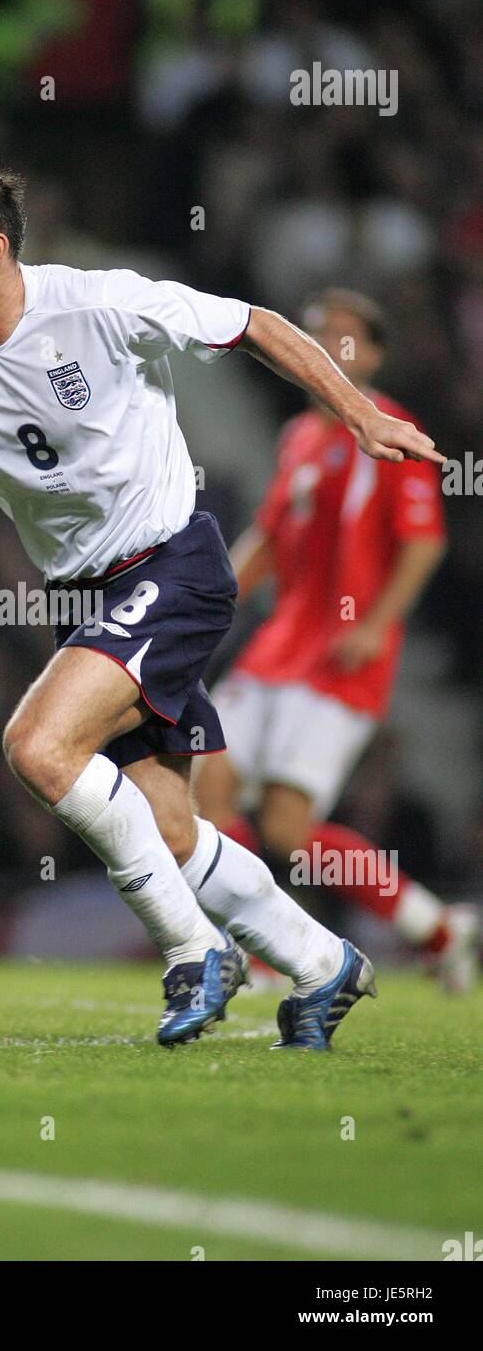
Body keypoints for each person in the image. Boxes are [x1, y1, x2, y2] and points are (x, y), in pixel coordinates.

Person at [0, 162, 444, 1049]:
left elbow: (254, 325)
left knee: (39, 748)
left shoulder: (101, 304)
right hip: (80, 594)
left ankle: (191, 954)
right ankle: (322, 964)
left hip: (173, 564)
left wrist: (354, 412)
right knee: (168, 828)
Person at [197, 289, 477, 993]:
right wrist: (214, 596)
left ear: (376, 354)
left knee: (290, 830)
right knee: (209, 790)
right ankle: (259, 956)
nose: (334, 349)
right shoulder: (298, 436)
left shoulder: (390, 428)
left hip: (341, 659)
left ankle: (437, 927)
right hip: (276, 648)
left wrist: (377, 625)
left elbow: (422, 541)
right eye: (319, 336)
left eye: (349, 339)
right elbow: (268, 532)